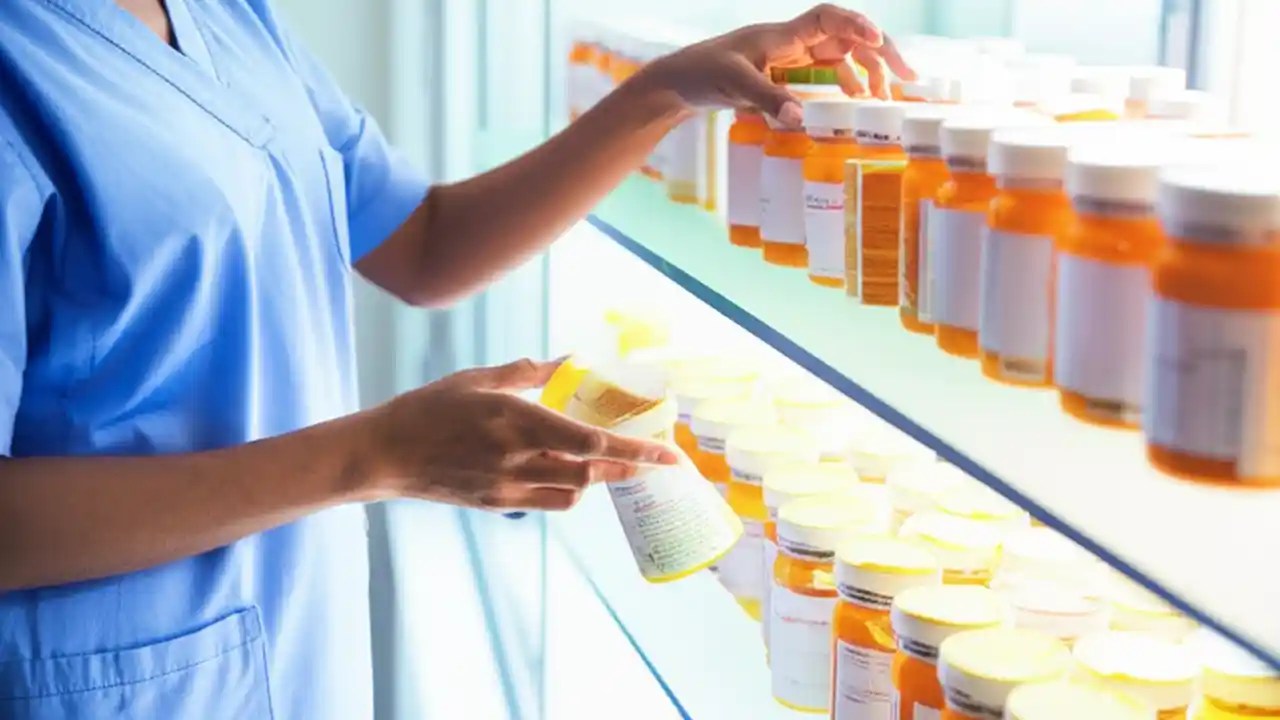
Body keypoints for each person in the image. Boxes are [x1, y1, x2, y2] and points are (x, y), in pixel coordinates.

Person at [0, 1, 911, 717]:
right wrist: (377, 455)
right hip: (113, 679)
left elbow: (425, 243)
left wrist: (665, 92)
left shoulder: (232, 18)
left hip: (295, 648)